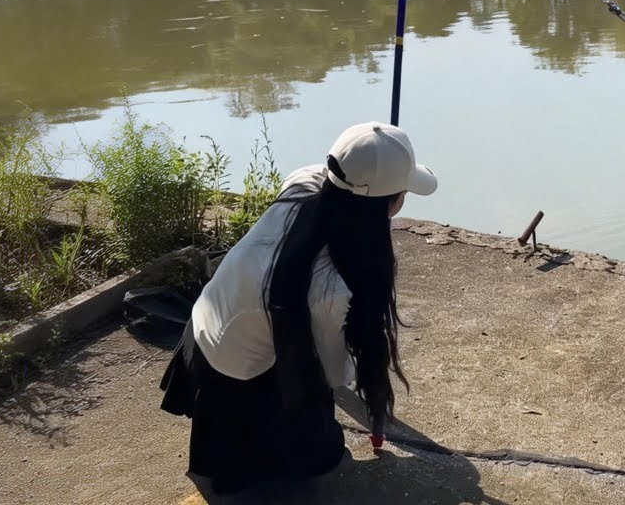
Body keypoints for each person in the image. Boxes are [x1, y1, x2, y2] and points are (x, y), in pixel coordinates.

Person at [159, 122, 437, 494]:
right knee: (324, 451)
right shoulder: (330, 287)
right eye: (402, 193)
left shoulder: (304, 180)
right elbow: (331, 374)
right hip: (230, 377)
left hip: (201, 329)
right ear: (388, 205)